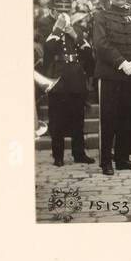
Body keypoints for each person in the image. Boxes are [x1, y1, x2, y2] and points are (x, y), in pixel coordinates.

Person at [91, 0, 131, 175]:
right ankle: (106, 161)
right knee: (109, 119)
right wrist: (123, 63)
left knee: (128, 118)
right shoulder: (101, 17)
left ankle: (122, 159)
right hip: (110, 75)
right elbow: (101, 44)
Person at [41, 13, 96, 167]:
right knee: (56, 120)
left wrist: (75, 35)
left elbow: (87, 53)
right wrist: (57, 30)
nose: (64, 19)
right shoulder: (50, 31)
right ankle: (58, 156)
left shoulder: (77, 31)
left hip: (76, 79)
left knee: (78, 120)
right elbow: (49, 49)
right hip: (58, 81)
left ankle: (79, 153)